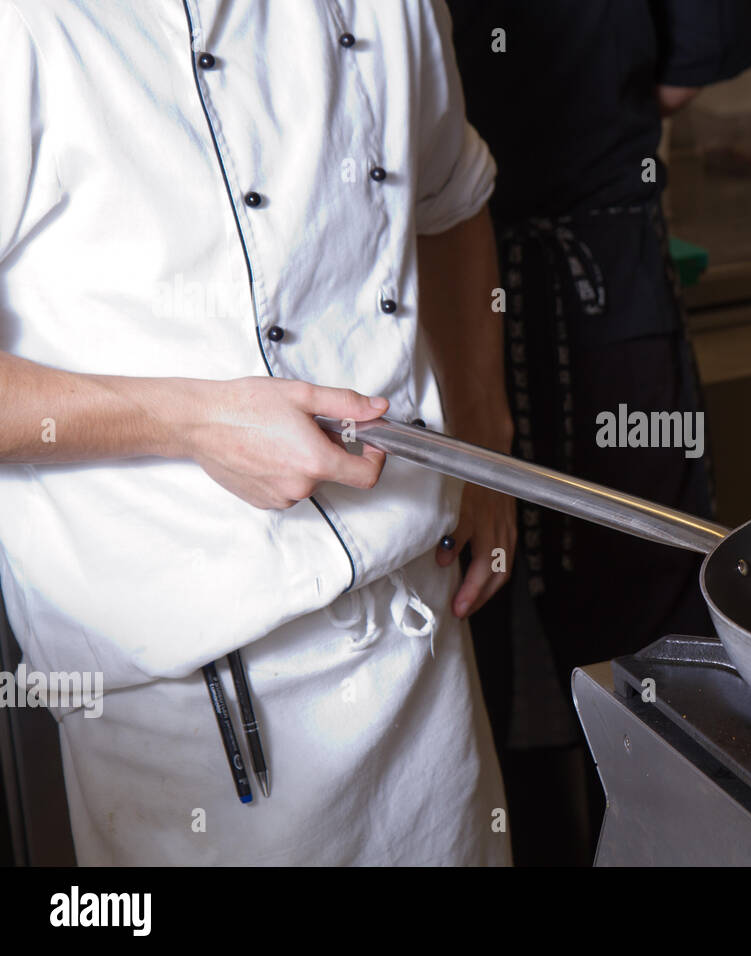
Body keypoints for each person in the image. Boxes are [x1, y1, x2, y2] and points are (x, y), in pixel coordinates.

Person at [0, 0, 515, 865]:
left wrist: (487, 448)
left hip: (420, 645)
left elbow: (450, 198)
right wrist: (193, 420)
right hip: (193, 703)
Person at [448, 0, 751, 863]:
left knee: (481, 663)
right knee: (654, 663)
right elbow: (685, 69)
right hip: (601, 283)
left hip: (428, 311)